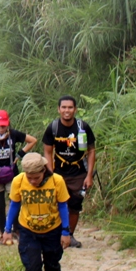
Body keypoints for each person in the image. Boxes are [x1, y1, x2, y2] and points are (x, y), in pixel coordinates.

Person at [3, 152, 72, 271]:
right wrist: (7, 230)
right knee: (32, 267)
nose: (33, 181)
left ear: (44, 171)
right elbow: (14, 205)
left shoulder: (57, 181)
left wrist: (66, 231)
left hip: (52, 230)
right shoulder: (18, 181)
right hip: (28, 230)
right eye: (30, 178)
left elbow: (63, 206)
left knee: (52, 265)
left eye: (36, 177)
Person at [42, 95, 96, 248]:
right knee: (55, 204)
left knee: (75, 204)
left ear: (75, 109)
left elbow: (91, 151)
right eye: (64, 107)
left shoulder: (83, 127)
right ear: (59, 109)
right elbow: (47, 152)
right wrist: (50, 175)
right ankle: (55, 234)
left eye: (70, 107)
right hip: (59, 172)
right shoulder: (53, 128)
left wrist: (89, 175)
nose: (67, 110)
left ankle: (69, 235)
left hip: (79, 172)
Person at [0, 110, 37, 244]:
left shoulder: (13, 134)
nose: (1, 128)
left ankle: (17, 230)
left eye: (4, 125)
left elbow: (32, 140)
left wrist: (19, 155)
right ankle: (3, 233)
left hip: (12, 175)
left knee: (15, 203)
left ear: (8, 123)